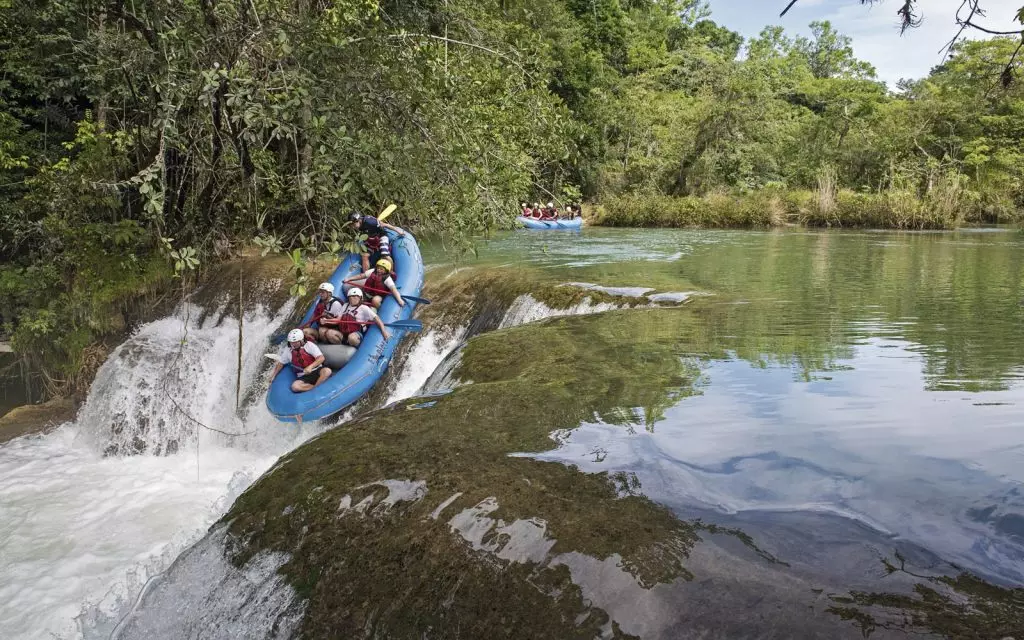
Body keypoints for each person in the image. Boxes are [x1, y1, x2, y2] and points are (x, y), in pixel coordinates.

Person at [320, 287, 391, 347]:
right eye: (350, 297)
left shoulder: (364, 308)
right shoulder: (345, 305)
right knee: (329, 333)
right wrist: (326, 320)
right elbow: (338, 320)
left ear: (360, 298)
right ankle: (342, 347)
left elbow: (377, 319)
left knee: (352, 338)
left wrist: (384, 331)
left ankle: (357, 348)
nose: (352, 299)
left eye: (354, 296)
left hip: (356, 333)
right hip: (343, 332)